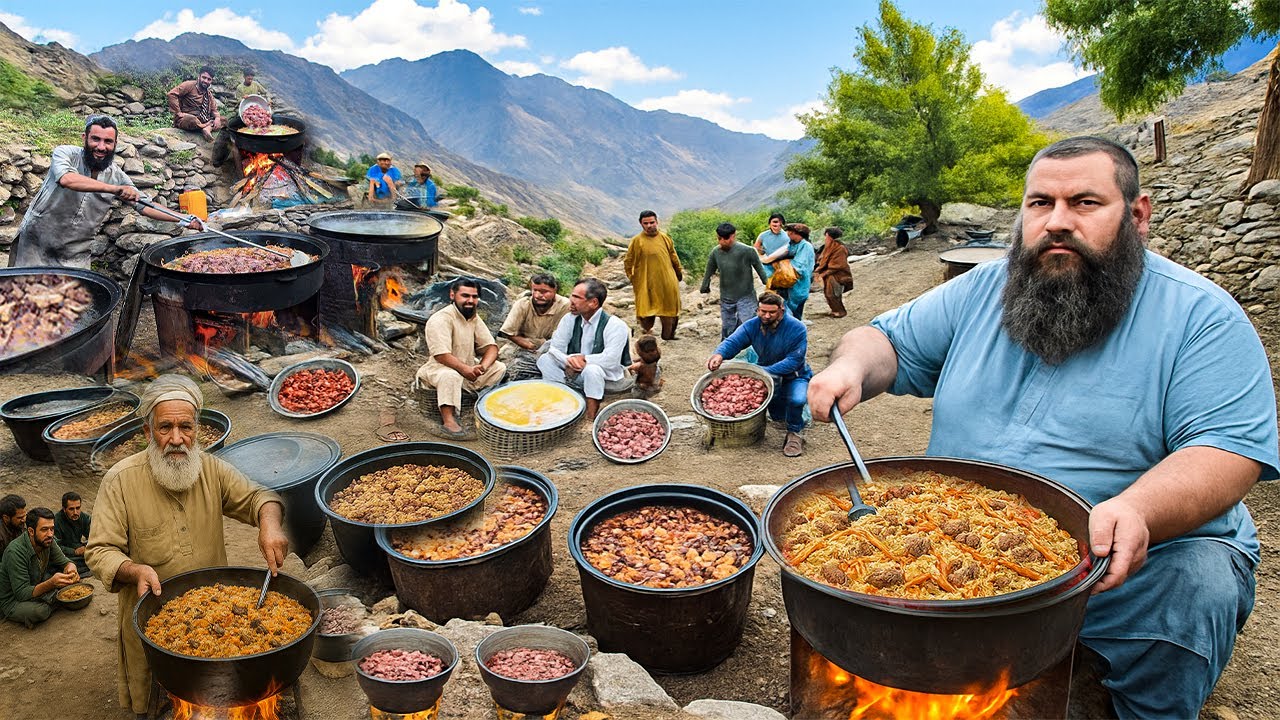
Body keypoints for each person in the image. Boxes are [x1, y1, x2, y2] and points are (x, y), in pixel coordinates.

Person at [807, 136, 1279, 719]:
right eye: (1039, 204)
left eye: (1084, 203)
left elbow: (1226, 451)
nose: (1057, 222)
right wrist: (852, 365)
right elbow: (887, 340)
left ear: (1137, 216)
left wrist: (1137, 511)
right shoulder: (985, 289)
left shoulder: (1199, 316)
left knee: (1199, 583)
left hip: (1121, 563)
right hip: (957, 537)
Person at [87, 374, 288, 718]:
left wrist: (269, 525)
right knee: (157, 701)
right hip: (153, 619)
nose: (177, 439)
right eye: (165, 428)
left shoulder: (210, 469)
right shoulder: (120, 480)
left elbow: (259, 497)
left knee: (219, 695)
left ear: (197, 429)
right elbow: (100, 550)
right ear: (148, 432)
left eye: (186, 427)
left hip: (218, 617)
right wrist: (133, 569)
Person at [7, 115, 199, 269]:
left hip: (76, 253)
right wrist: (115, 190)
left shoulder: (117, 175)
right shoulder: (65, 153)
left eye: (108, 141)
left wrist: (185, 219)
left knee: (71, 309)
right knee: (28, 302)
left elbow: (145, 206)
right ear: (85, 138)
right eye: (95, 139)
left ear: (115, 144)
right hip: (36, 244)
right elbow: (67, 179)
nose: (101, 147)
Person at [707, 291, 811, 457]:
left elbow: (793, 361)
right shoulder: (753, 325)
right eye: (763, 311)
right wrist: (719, 354)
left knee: (797, 400)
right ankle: (775, 418)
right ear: (757, 310)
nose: (766, 316)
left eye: (772, 312)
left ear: (782, 311)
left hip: (794, 375)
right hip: (765, 374)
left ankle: (795, 434)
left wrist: (761, 372)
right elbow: (734, 341)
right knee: (775, 412)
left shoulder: (797, 328)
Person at [415, 278, 507, 436]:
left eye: (474, 297)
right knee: (450, 376)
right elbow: (441, 355)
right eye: (465, 296)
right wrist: (465, 369)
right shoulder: (441, 319)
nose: (470, 300)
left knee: (499, 367)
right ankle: (449, 420)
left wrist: (482, 367)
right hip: (439, 369)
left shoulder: (473, 318)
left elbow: (491, 347)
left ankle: (477, 403)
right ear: (452, 295)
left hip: (468, 369)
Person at [537, 277, 634, 420]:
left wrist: (584, 360)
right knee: (545, 360)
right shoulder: (569, 319)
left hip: (604, 375)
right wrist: (570, 361)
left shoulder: (615, 325)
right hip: (572, 369)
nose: (571, 300)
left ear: (593, 302)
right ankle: (564, 398)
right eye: (572, 295)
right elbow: (555, 348)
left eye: (576, 297)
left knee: (591, 370)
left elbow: (611, 360)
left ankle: (590, 416)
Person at [0, 507, 78, 629]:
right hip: (13, 600)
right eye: (44, 529)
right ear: (31, 531)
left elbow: (65, 561)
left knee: (71, 588)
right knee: (41, 612)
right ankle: (51, 602)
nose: (50, 534)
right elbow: (21, 593)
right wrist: (51, 583)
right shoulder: (15, 552)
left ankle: (52, 599)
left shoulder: (48, 540)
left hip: (35, 585)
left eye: (52, 529)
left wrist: (71, 569)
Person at [701, 221, 768, 339]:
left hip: (746, 295)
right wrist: (705, 285)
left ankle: (749, 347)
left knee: (748, 323)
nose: (722, 241)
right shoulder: (716, 252)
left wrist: (767, 283)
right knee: (728, 325)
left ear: (733, 236)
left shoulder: (747, 251)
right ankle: (727, 347)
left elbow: (759, 268)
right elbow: (709, 270)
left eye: (726, 238)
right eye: (719, 238)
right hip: (726, 295)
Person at [624, 210, 684, 340]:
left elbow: (674, 257)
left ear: (657, 222)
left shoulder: (665, 238)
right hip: (645, 282)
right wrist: (632, 278)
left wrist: (678, 273)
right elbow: (628, 261)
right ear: (641, 224)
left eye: (652, 222)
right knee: (645, 311)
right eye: (646, 223)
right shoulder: (637, 241)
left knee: (670, 310)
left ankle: (668, 336)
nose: (650, 225)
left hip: (666, 280)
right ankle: (647, 335)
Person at [499, 273, 570, 381]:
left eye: (544, 292)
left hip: (552, 348)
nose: (537, 295)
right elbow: (508, 332)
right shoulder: (522, 304)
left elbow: (563, 336)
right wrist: (526, 344)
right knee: (505, 367)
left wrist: (544, 349)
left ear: (555, 291)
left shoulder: (565, 305)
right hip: (522, 344)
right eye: (535, 290)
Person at [167, 66, 223, 142]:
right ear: (199, 76)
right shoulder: (189, 85)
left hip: (203, 119)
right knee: (191, 119)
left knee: (224, 120)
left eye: (209, 79)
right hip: (186, 119)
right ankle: (205, 126)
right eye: (204, 77)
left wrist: (217, 118)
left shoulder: (208, 94)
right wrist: (178, 112)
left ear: (211, 81)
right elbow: (171, 94)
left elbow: (214, 110)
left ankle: (207, 128)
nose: (206, 81)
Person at [773, 223, 816, 320]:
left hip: (799, 279)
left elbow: (801, 265)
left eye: (790, 232)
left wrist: (785, 264)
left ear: (797, 234)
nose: (788, 234)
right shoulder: (792, 244)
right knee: (785, 301)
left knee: (798, 301)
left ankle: (796, 322)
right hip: (787, 278)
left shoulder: (806, 246)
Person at [815, 226, 854, 318]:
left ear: (828, 235)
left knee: (833, 294)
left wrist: (824, 273)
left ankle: (840, 311)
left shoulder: (840, 248)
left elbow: (839, 264)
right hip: (829, 273)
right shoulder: (828, 246)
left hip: (836, 274)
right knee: (829, 294)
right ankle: (835, 310)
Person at [54, 491, 92, 577]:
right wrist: (74, 551)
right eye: (71, 509)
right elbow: (55, 547)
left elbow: (93, 537)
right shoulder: (56, 522)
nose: (75, 512)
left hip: (80, 551)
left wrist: (86, 547)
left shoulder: (84, 518)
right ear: (64, 509)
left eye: (78, 508)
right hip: (65, 554)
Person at [754, 212, 788, 282]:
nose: (777, 224)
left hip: (784, 262)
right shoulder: (763, 235)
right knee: (769, 279)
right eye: (775, 222)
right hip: (768, 263)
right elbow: (757, 246)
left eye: (780, 222)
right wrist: (762, 252)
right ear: (770, 223)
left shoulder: (787, 236)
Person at [629, 335, 663, 399]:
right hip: (655, 383)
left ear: (640, 352)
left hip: (643, 389)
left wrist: (632, 373)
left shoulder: (639, 366)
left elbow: (629, 369)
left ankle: (642, 399)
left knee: (636, 391)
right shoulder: (656, 354)